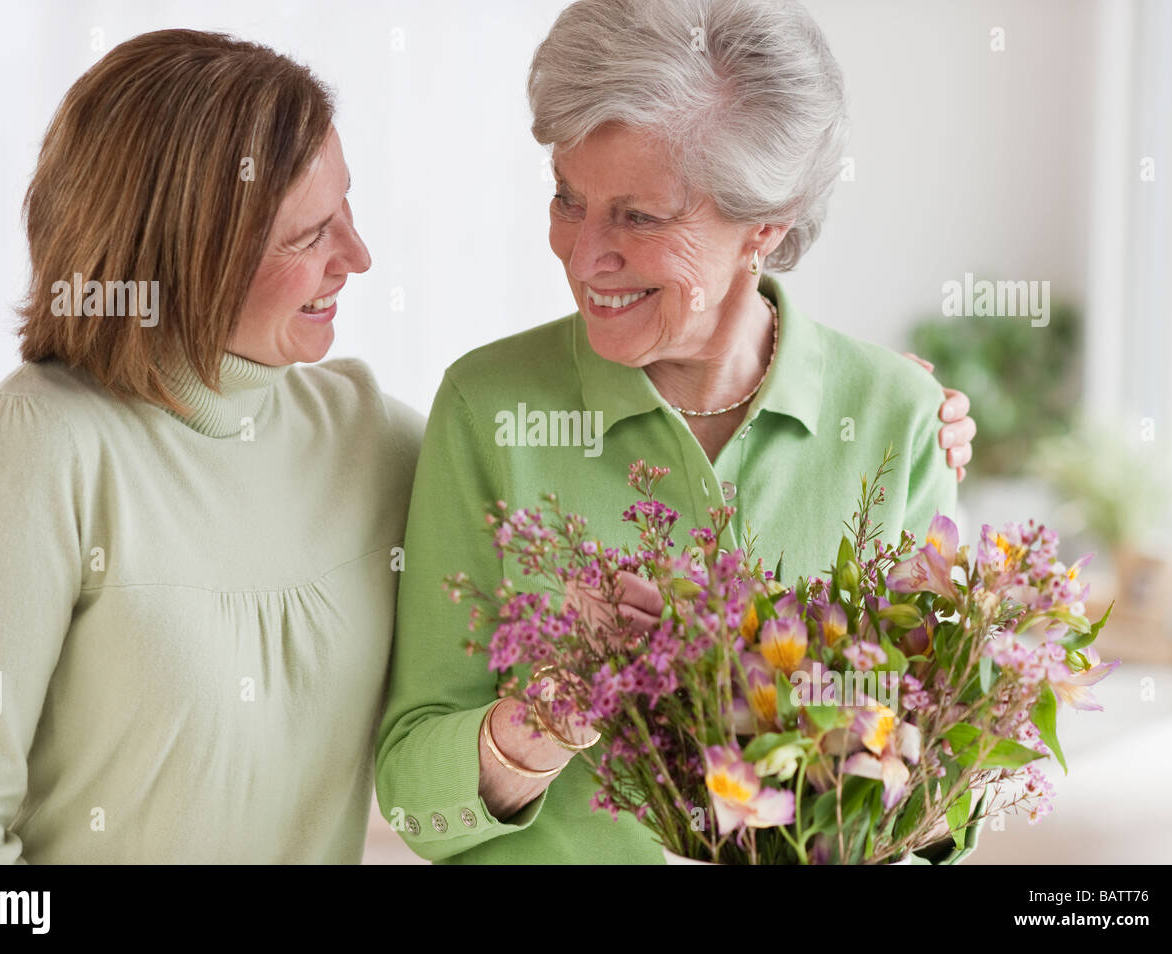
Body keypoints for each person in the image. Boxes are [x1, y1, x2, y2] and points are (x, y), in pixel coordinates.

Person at [375, 0, 979, 864]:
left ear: (763, 226)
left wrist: (752, 673)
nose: (584, 258)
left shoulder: (893, 417)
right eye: (567, 199)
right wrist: (552, 714)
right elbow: (409, 788)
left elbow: (951, 789)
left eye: (639, 217)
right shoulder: (487, 406)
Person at [0, 30, 421, 863]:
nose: (356, 257)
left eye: (347, 209)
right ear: (188, 255)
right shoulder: (45, 444)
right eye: (308, 235)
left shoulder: (374, 438)